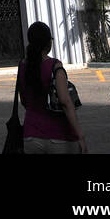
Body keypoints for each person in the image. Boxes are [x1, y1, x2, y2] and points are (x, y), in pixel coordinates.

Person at [18, 21, 87, 154]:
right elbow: (65, 102)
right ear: (48, 42)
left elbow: (24, 101)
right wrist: (81, 136)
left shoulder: (22, 66)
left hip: (31, 136)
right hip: (59, 136)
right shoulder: (54, 66)